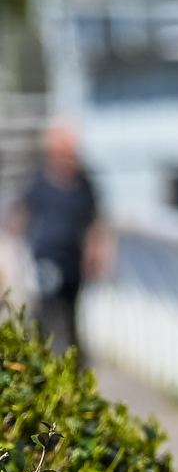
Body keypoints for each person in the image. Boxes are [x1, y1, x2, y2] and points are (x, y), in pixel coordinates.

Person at [10, 121, 107, 353]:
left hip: (73, 262)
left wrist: (97, 254)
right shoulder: (39, 181)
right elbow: (20, 214)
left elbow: (95, 222)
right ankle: (45, 358)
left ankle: (72, 363)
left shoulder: (84, 184)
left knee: (71, 316)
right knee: (46, 313)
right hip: (45, 260)